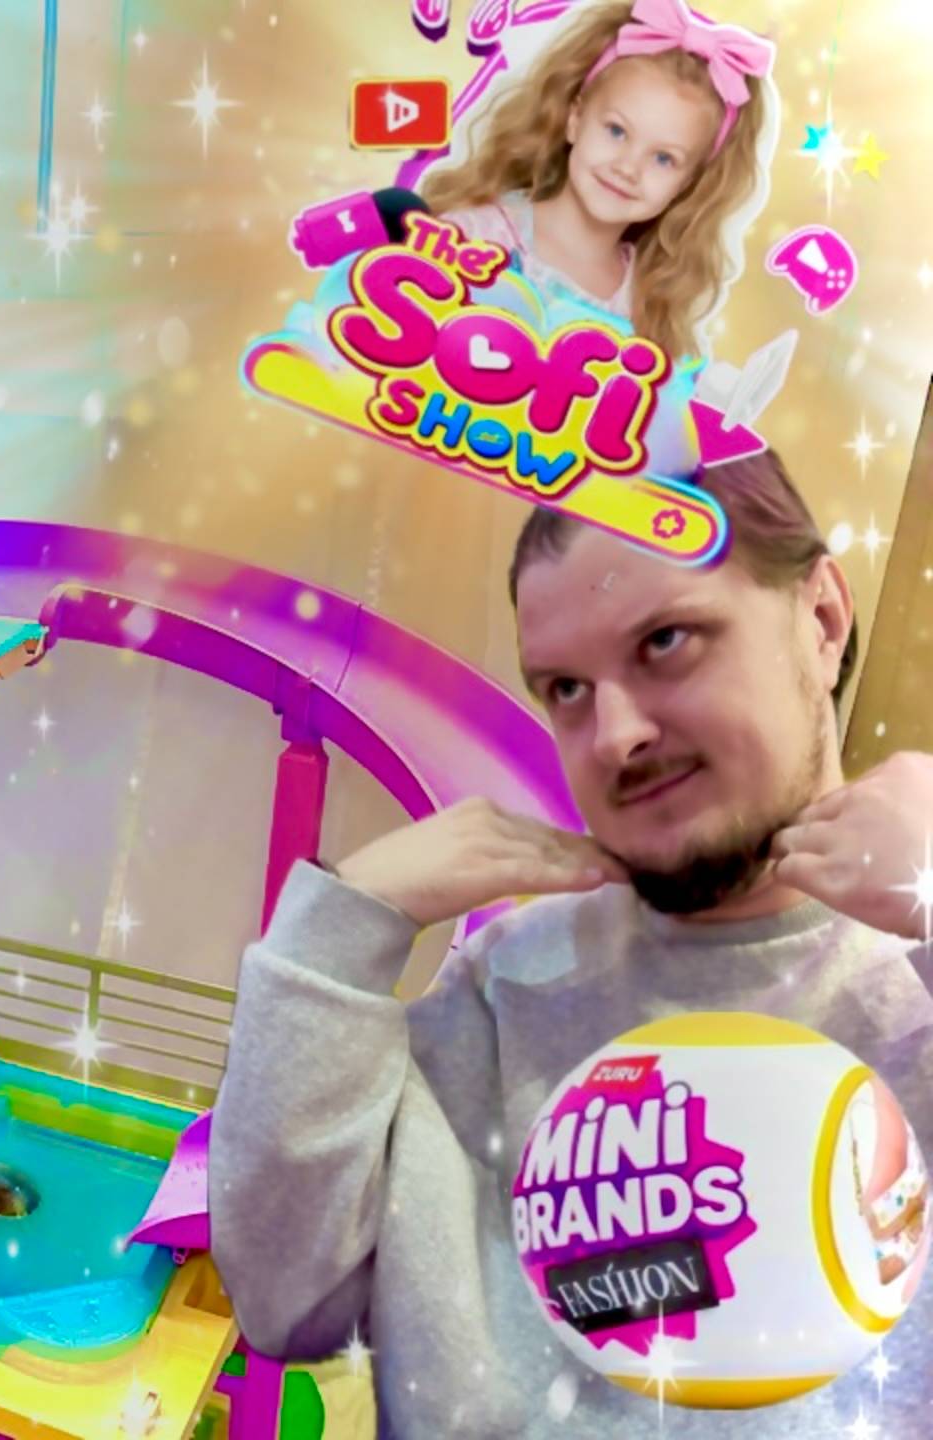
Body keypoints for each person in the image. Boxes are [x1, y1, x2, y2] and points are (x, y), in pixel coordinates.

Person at [209, 448, 933, 1436]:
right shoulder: (504, 984)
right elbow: (286, 1304)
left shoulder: (911, 996)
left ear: (822, 617)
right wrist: (343, 922)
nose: (614, 736)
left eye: (667, 641)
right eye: (564, 688)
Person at [419, 0, 773, 363]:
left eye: (664, 158)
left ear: (688, 182)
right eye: (617, 131)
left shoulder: (645, 310)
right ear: (574, 118)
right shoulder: (472, 237)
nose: (628, 168)